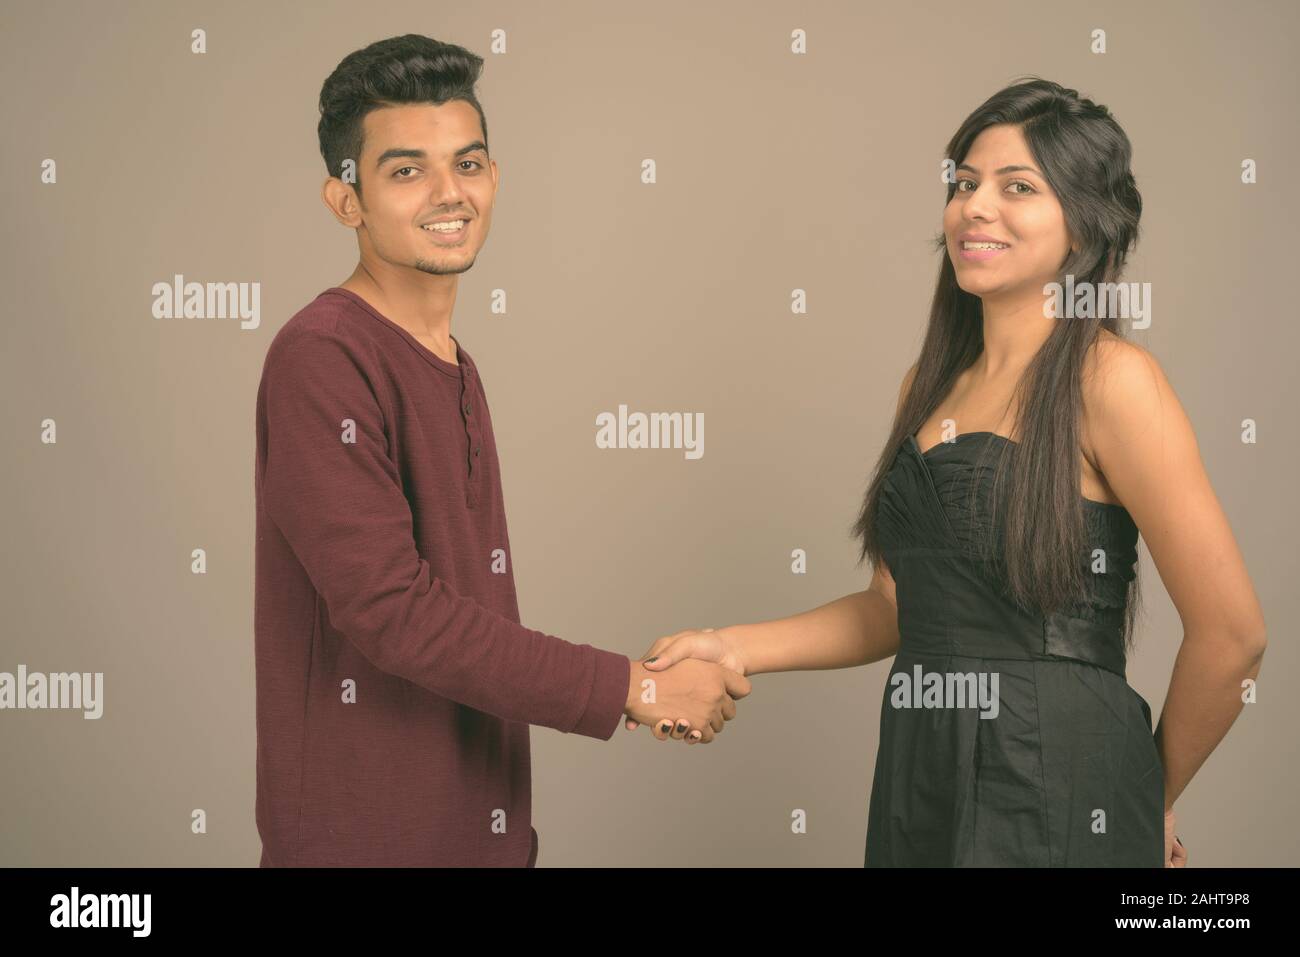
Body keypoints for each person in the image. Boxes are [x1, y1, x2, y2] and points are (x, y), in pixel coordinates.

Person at [629, 78, 1266, 867]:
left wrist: (1143, 795)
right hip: (921, 765)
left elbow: (1233, 635)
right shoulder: (927, 385)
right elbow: (896, 609)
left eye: (1017, 187)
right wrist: (730, 646)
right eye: (963, 184)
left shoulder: (1112, 379)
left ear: (1085, 225)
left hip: (1061, 772)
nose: (975, 207)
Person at [253, 34, 749, 868]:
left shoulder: (453, 360)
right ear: (347, 201)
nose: (450, 193)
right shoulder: (324, 354)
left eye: (470, 163)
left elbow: (469, 620)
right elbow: (394, 612)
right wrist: (635, 686)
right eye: (406, 170)